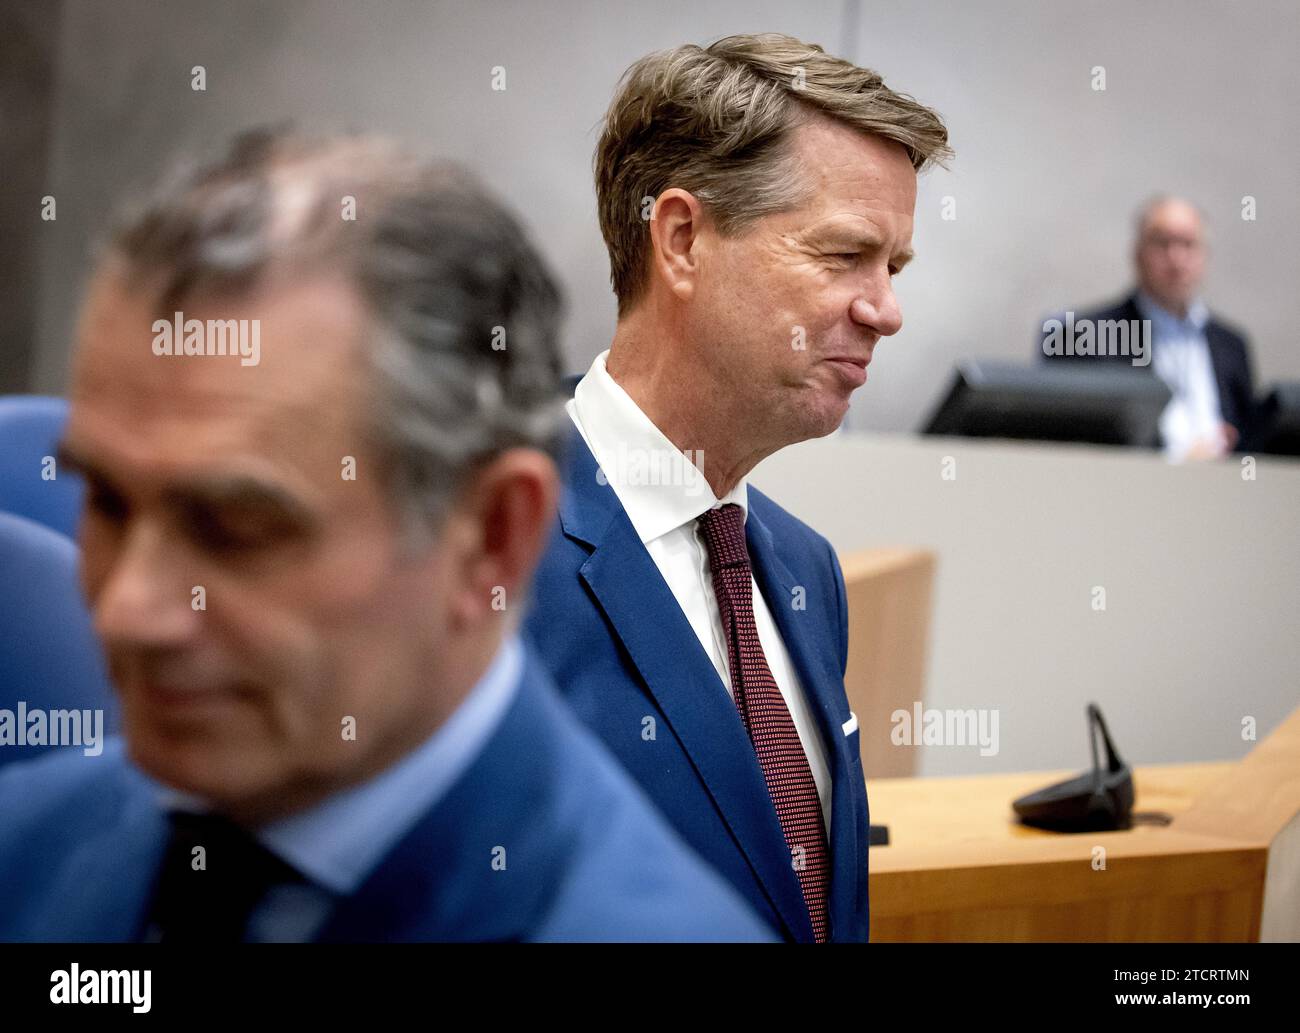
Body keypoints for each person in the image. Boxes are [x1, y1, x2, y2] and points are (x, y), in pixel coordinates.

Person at [0, 130, 774, 943]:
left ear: (493, 538)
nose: (127, 609)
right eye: (109, 504)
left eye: (233, 529)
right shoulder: (23, 848)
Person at [525, 33, 952, 942]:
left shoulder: (806, 570)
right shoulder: (481, 546)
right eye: (844, 255)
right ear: (682, 240)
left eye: (895, 267)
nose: (886, 309)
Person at [1040, 196, 1256, 460]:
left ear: (1205, 256)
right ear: (1138, 253)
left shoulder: (1231, 345)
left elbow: (1249, 436)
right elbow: (1070, 442)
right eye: (1162, 243)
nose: (1176, 258)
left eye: (1188, 244)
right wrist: (1181, 460)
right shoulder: (1085, 336)